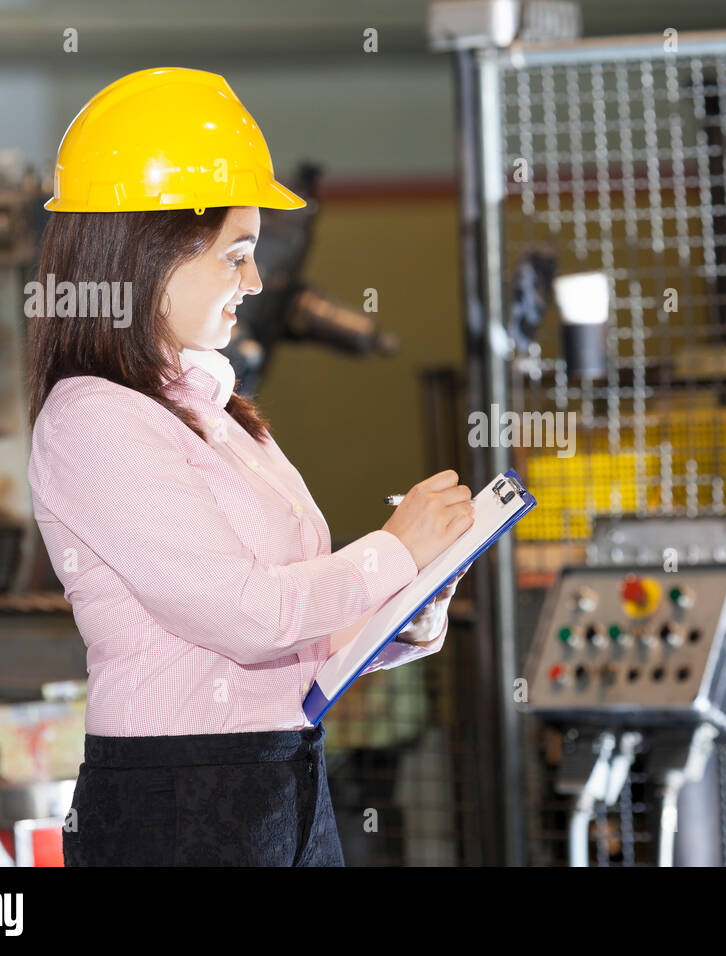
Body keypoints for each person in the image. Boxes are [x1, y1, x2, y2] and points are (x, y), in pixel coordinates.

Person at [25, 67, 472, 866]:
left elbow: (291, 629)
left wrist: (404, 611)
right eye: (237, 254)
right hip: (179, 800)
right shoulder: (93, 419)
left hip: (280, 776)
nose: (256, 282)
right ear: (153, 255)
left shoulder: (219, 410)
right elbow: (243, 614)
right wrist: (395, 549)